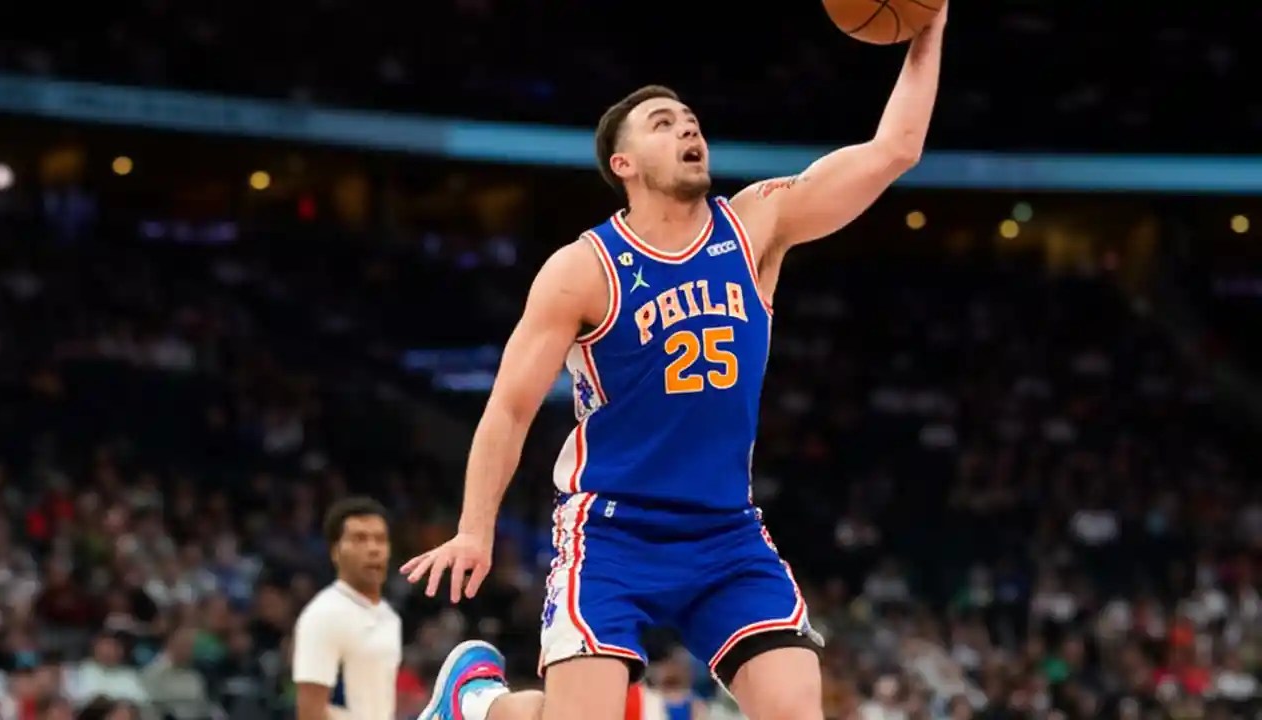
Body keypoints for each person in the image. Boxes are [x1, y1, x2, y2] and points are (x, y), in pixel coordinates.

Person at [403, 6, 946, 719]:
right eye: (663, 123)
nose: (688, 127)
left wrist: (931, 23)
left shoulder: (755, 225)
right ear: (622, 165)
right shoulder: (583, 270)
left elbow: (894, 149)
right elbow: (508, 406)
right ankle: (477, 702)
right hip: (612, 533)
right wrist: (476, 527)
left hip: (725, 531)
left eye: (689, 118)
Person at [294, 497, 402, 719]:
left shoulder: (389, 616)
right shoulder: (324, 615)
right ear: (335, 551)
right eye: (359, 539)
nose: (373, 549)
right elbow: (310, 712)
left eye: (380, 540)